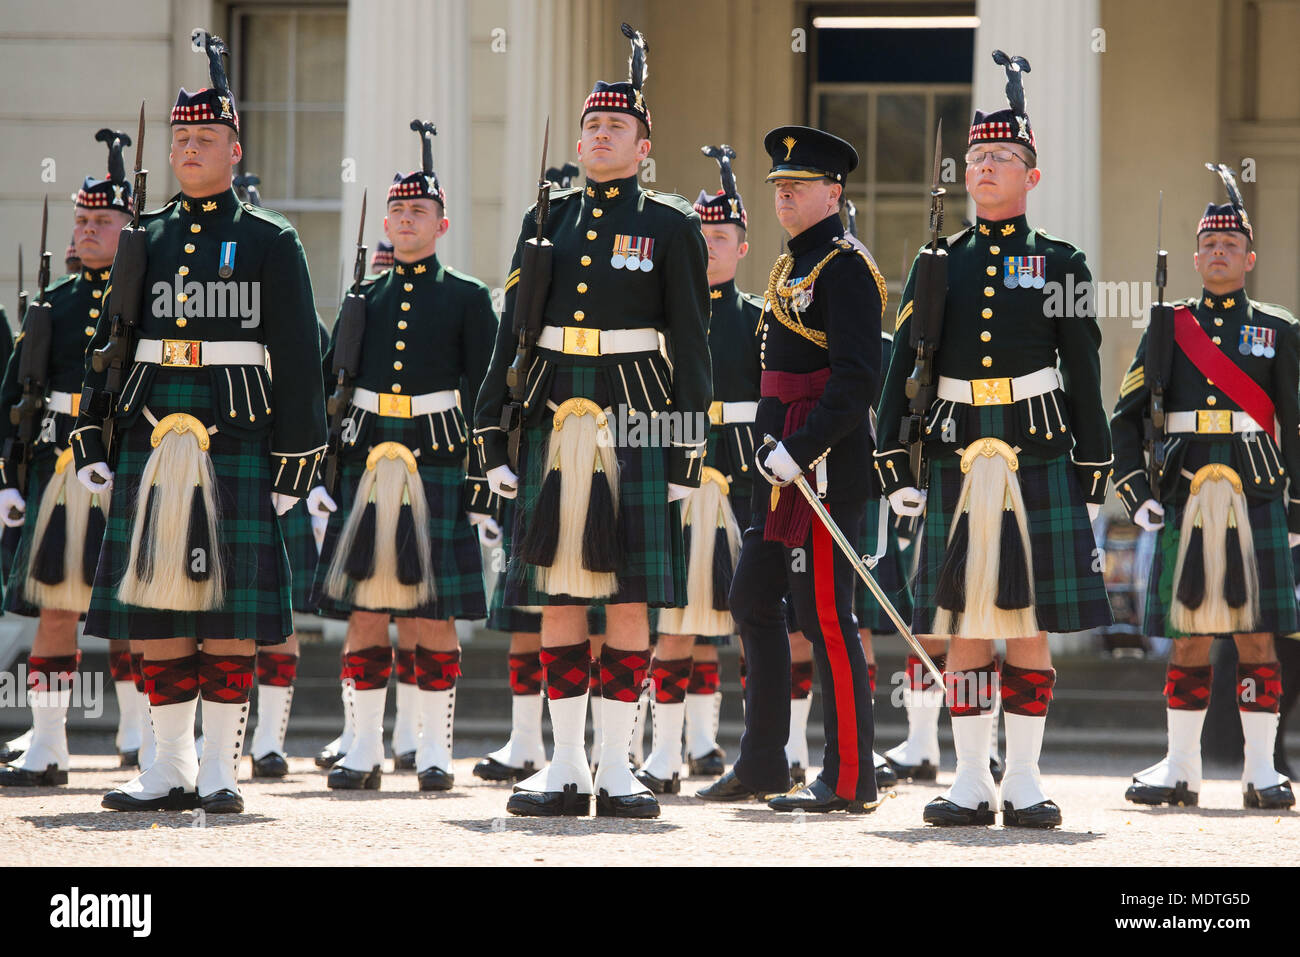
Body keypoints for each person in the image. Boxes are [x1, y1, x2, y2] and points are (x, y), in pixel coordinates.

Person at [70, 31, 327, 813]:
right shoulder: (143, 238)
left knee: (229, 607)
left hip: (235, 432)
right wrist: (92, 432)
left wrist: (297, 459)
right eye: (181, 138)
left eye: (205, 138)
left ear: (234, 150)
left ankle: (220, 765)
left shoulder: (269, 240)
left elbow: (298, 358)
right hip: (152, 426)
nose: (189, 149)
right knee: (157, 602)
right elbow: (110, 342)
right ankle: (167, 764)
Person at [474, 23, 710, 819]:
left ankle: (617, 766)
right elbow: (512, 333)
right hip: (553, 406)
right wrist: (492, 433)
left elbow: (691, 344)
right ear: (577, 143)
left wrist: (686, 452)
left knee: (632, 593)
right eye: (592, 125)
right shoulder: (546, 218)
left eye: (617, 126)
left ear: (644, 146)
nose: (601, 135)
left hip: (637, 413)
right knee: (560, 591)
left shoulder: (672, 225)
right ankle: (566, 765)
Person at [875, 51, 1113, 828]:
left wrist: (1093, 468)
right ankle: (972, 778)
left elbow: (1083, 370)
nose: (985, 166)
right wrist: (893, 461)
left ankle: (1028, 778)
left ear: (1031, 175)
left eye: (1002, 156)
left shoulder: (1062, 262)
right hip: (955, 446)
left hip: (1035, 447)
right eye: (978, 156)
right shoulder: (937, 263)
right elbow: (903, 367)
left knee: (1028, 620)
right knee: (965, 621)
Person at [698, 124, 887, 813]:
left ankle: (850, 777)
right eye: (779, 184)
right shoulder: (791, 266)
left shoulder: (845, 266)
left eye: (799, 185)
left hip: (822, 469)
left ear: (833, 194)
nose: (784, 194)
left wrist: (800, 448)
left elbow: (857, 380)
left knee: (827, 617)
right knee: (752, 597)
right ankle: (763, 762)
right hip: (777, 470)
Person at [309, 120, 496, 793]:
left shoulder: (468, 297)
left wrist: (484, 484)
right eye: (398, 210)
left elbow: (487, 396)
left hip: (437, 457)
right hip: (367, 461)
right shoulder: (363, 298)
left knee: (431, 611)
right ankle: (362, 749)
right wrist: (323, 473)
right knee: (365, 610)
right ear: (386, 223)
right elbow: (332, 388)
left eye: (420, 210)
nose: (407, 219)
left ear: (441, 225)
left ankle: (435, 751)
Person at [1112, 163, 1296, 810]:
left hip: (1257, 492)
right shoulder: (1167, 327)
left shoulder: (1279, 329)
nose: (1219, 252)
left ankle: (1261, 771)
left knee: (1257, 634)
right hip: (1185, 492)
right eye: (1209, 244)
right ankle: (1181, 768)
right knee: (1187, 632)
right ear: (1194, 258)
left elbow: (1296, 422)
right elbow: (1125, 416)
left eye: (1231, 244)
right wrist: (1137, 492)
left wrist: (1298, 507)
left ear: (1249, 258)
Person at [0, 129, 135, 786]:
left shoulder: (149, 299)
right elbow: (12, 398)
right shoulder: (55, 302)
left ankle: (145, 738)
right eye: (81, 221)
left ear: (128, 227)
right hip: (61, 467)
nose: (86, 231)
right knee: (56, 610)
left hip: (129, 465)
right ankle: (49, 744)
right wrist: (9, 477)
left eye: (100, 221)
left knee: (141, 610)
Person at [635, 145, 760, 794]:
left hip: (744, 478)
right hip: (679, 476)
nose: (711, 247)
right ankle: (663, 753)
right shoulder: (664, 319)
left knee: (748, 619)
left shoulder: (763, 321)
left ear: (742, 247)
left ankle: (753, 748)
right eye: (702, 237)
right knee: (676, 619)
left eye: (722, 238)